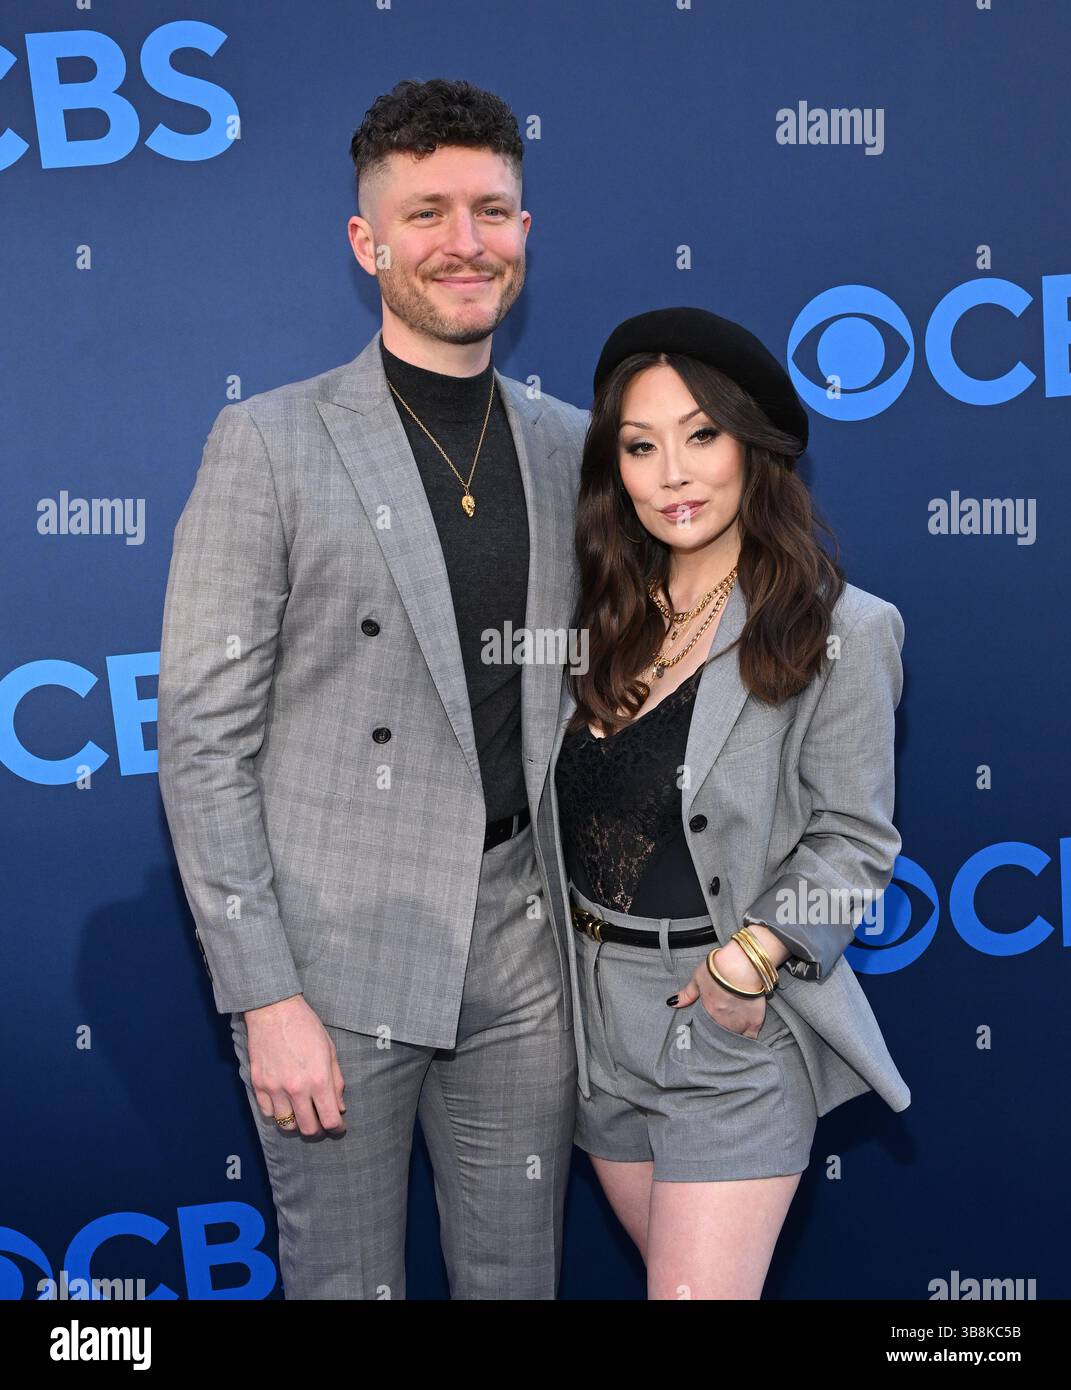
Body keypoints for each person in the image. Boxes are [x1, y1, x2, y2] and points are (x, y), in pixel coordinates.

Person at [157, 78, 588, 1299]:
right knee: (346, 1285)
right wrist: (265, 997)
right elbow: (200, 739)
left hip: (521, 951)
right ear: (369, 241)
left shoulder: (570, 444)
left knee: (519, 1280)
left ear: (524, 229)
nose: (466, 242)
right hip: (333, 965)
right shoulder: (270, 442)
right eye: (430, 211)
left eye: (493, 210)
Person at [534, 305, 911, 1300]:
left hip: (725, 1027)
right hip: (588, 1026)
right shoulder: (590, 619)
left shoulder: (842, 628)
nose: (674, 474)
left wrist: (754, 959)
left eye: (702, 436)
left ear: (754, 446)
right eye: (641, 445)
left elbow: (855, 846)